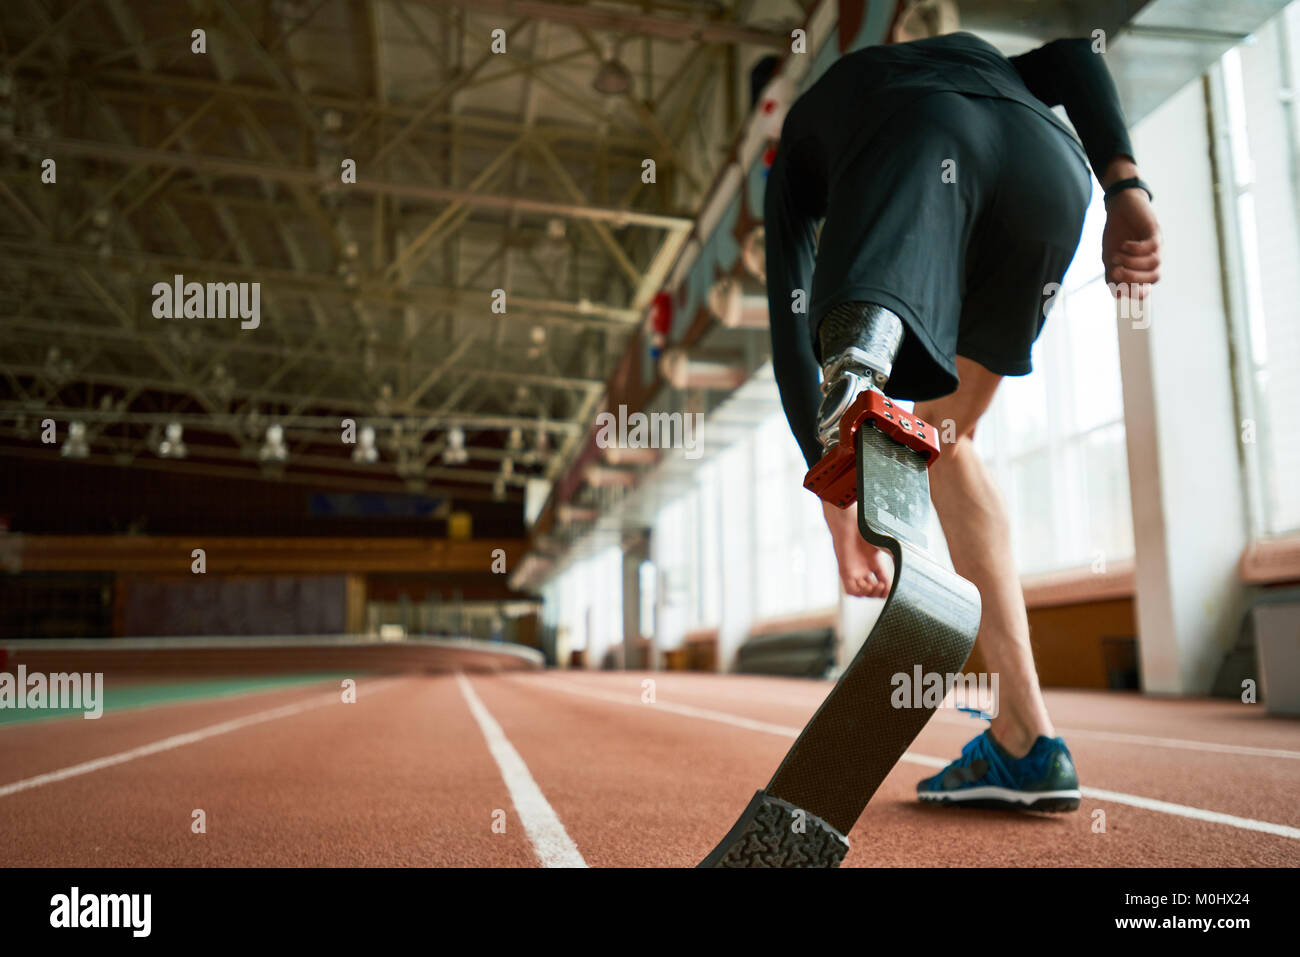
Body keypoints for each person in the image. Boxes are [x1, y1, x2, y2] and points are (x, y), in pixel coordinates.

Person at [758, 0, 1162, 810]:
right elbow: (1079, 59)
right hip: (1054, 173)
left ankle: (861, 351)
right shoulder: (980, 62)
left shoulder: (806, 137)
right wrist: (1127, 184)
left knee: (855, 292)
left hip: (922, 145)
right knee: (948, 440)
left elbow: (787, 301)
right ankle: (1025, 735)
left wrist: (830, 484)